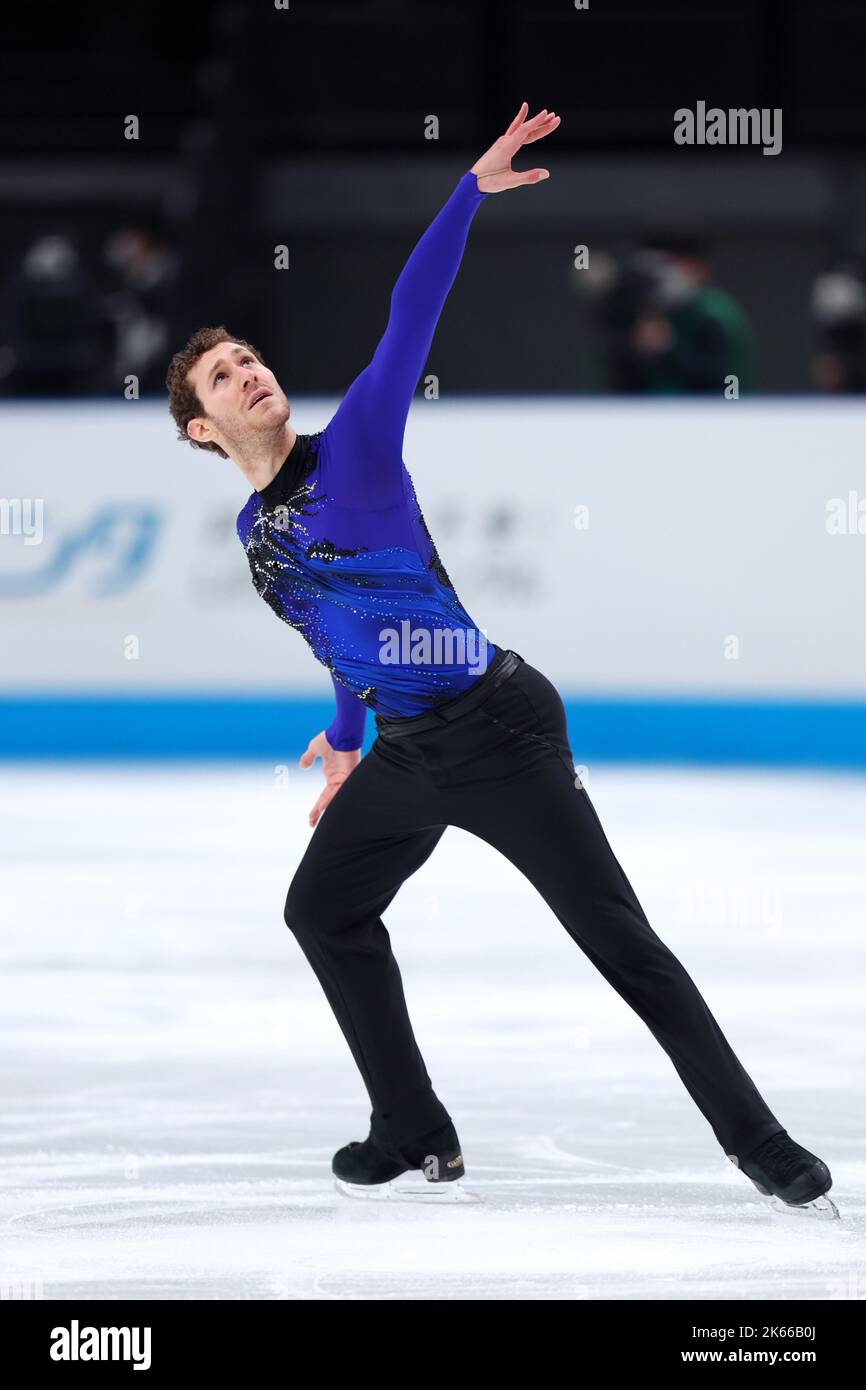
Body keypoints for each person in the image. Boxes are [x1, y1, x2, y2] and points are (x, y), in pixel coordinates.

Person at [165, 103, 835, 1216]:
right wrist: (344, 744)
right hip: (412, 750)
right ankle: (411, 1126)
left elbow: (406, 313)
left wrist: (466, 191)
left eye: (251, 358)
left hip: (502, 728)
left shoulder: (362, 442)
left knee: (619, 943)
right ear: (198, 428)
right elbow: (341, 637)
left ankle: (764, 1146)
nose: (249, 375)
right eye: (224, 378)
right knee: (321, 909)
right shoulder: (254, 535)